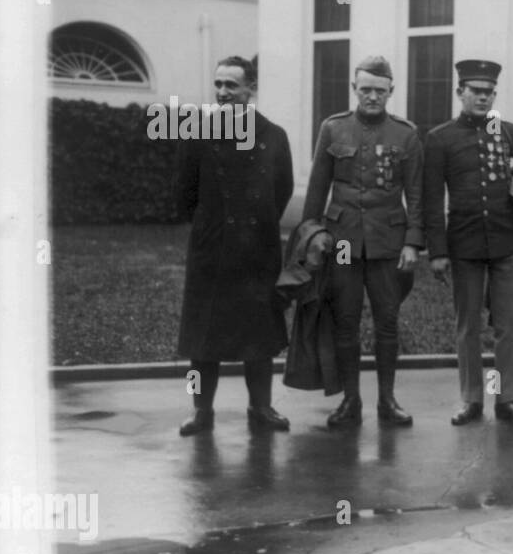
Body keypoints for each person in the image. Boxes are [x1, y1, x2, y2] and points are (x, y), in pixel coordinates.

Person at [301, 55, 424, 428]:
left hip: (388, 241)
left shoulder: (406, 134)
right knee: (345, 321)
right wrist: (313, 231)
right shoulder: (333, 129)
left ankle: (387, 400)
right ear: (354, 89)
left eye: (380, 90)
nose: (373, 97)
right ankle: (351, 401)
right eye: (366, 89)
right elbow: (317, 188)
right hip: (342, 242)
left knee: (387, 322)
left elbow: (416, 195)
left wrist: (412, 243)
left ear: (391, 91)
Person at [175, 56, 293, 435]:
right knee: (200, 338)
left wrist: (254, 225)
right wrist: (213, 225)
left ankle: (262, 408)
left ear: (250, 89)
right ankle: (200, 411)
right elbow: (184, 193)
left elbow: (282, 189)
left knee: (258, 337)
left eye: (231, 85)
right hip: (212, 250)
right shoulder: (197, 133)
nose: (223, 92)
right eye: (218, 84)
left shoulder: (274, 136)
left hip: (257, 251)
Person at [425, 59, 513, 427]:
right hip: (464, 243)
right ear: (460, 92)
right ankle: (471, 398)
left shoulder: (508, 132)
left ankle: (508, 400)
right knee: (468, 324)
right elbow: (430, 200)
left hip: (507, 241)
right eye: (475, 91)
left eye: (489, 92)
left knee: (508, 324)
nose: (482, 97)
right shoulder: (440, 138)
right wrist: (438, 252)